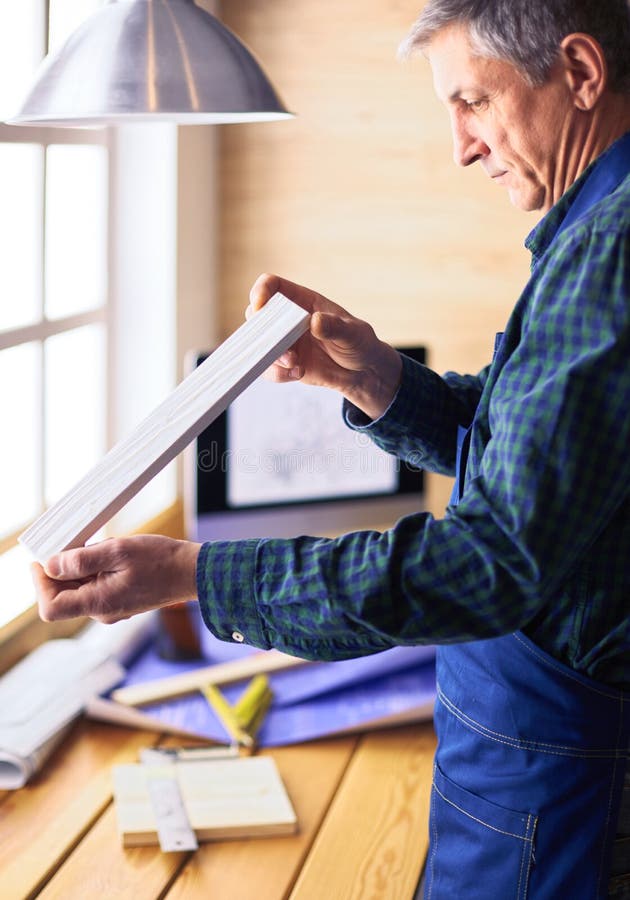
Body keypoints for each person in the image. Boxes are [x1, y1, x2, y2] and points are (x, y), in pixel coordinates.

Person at [32, 1, 630, 896]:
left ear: (580, 74)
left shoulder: (611, 249)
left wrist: (197, 575)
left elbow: (492, 560)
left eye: (472, 101)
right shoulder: (594, 226)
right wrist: (376, 379)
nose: (461, 146)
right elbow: (543, 457)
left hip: (553, 780)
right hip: (521, 763)